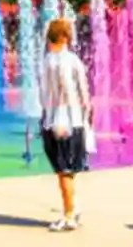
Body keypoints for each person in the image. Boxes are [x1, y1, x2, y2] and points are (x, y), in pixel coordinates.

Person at [39, 18, 91, 232]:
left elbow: (47, 95)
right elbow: (85, 96)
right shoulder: (75, 60)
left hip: (58, 122)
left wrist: (49, 117)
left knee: (63, 172)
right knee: (69, 170)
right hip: (76, 122)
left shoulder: (50, 61)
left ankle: (69, 215)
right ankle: (73, 209)